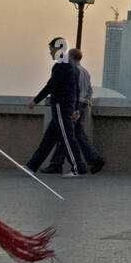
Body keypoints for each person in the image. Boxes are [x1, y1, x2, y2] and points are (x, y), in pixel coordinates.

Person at [25, 37, 88, 177]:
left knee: (66, 137)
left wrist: (35, 101)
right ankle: (31, 166)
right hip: (69, 105)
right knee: (49, 138)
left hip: (61, 105)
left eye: (51, 50)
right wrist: (76, 107)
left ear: (57, 48)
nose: (50, 53)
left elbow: (51, 85)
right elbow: (76, 88)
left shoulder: (61, 65)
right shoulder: (71, 64)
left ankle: (78, 167)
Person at [42, 48, 104, 174]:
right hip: (82, 106)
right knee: (75, 134)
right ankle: (93, 158)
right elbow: (89, 90)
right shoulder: (85, 72)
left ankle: (57, 164)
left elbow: (70, 89)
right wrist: (85, 100)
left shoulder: (71, 70)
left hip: (72, 106)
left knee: (65, 134)